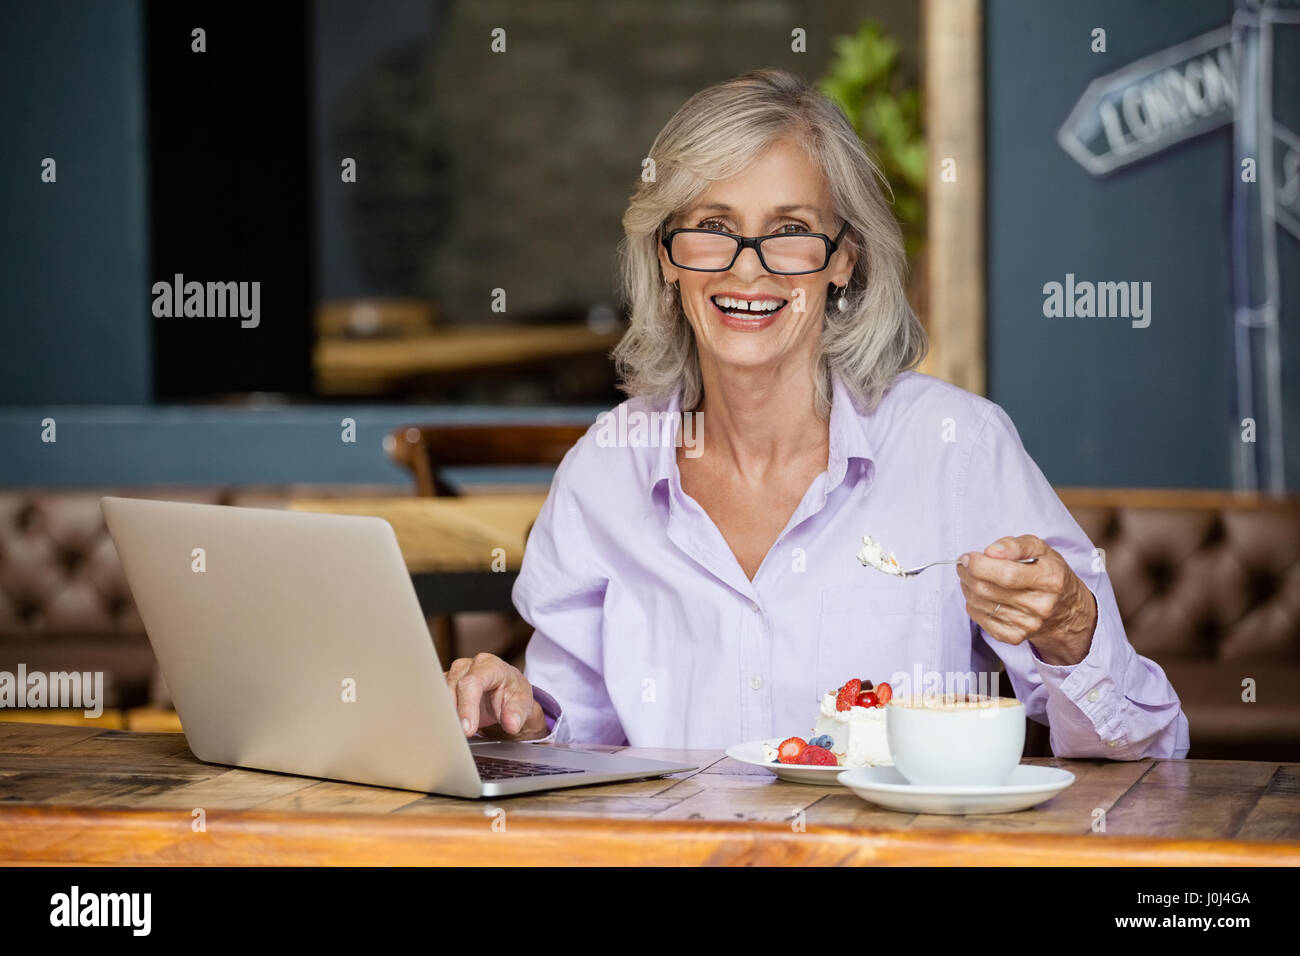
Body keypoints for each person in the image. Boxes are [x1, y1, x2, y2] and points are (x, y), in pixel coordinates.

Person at [444, 68, 1189, 759]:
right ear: (667, 254)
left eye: (791, 229)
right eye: (713, 224)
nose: (748, 266)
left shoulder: (955, 447)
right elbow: (571, 736)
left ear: (845, 258)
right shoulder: (606, 467)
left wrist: (1068, 629)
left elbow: (1150, 753)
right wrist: (524, 716)